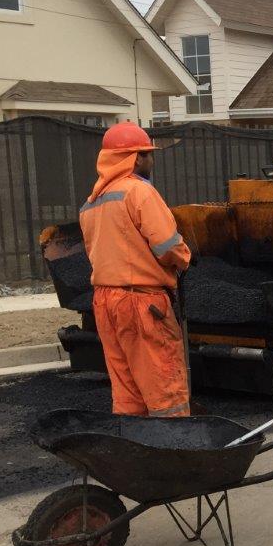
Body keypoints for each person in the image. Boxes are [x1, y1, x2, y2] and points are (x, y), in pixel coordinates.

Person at [79, 122, 192, 417]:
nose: (151, 161)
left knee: (127, 388)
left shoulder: (91, 204)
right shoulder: (139, 192)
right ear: (136, 157)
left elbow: (95, 251)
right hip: (142, 303)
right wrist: (186, 257)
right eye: (149, 155)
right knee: (163, 383)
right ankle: (177, 448)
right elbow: (167, 245)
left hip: (105, 302)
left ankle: (135, 447)